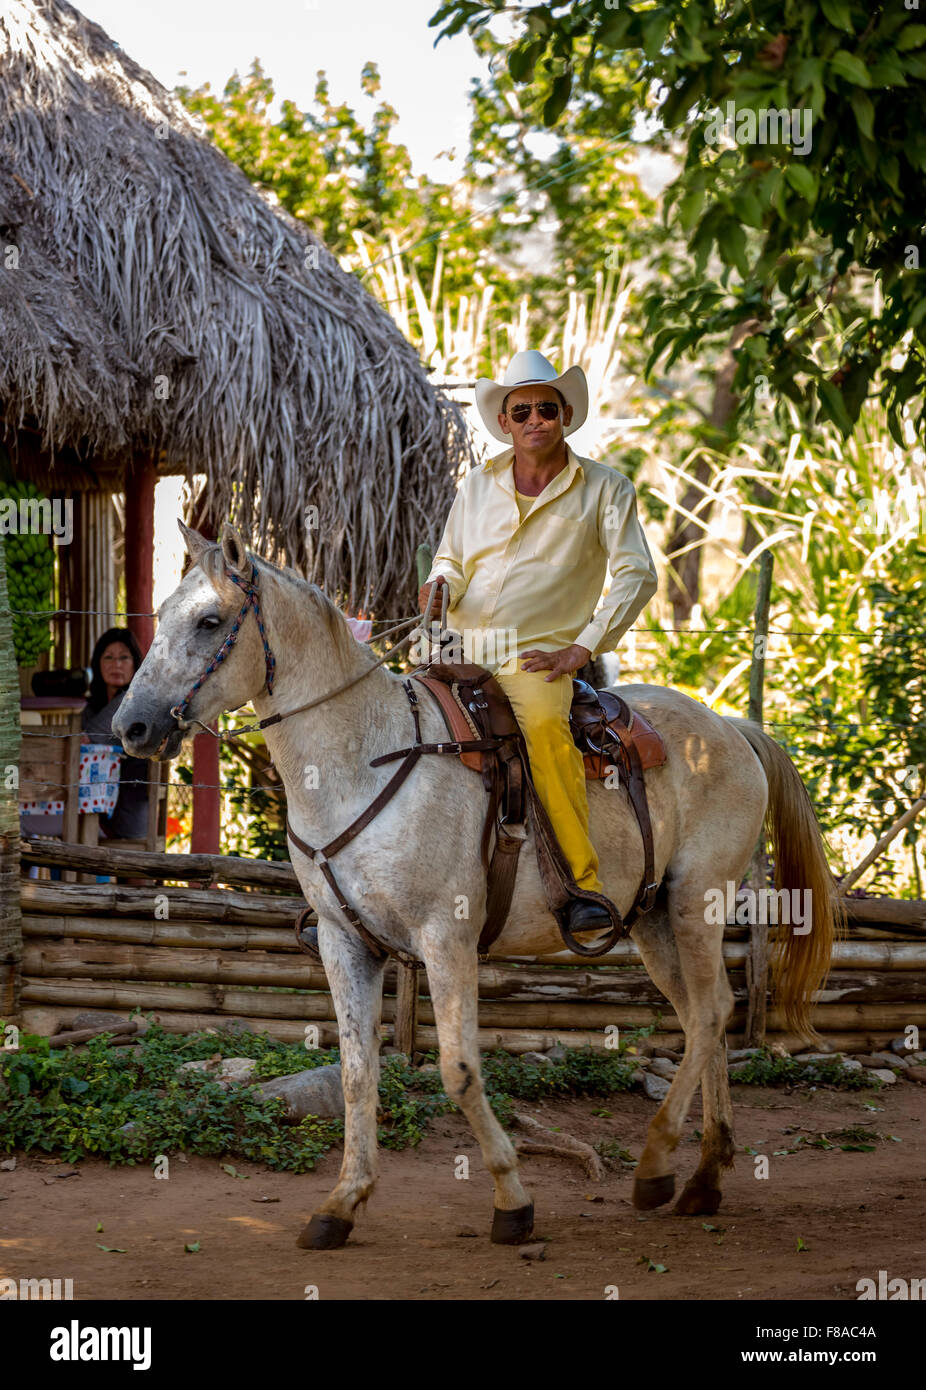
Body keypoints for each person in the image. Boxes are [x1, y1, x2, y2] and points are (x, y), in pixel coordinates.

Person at [419, 349, 658, 935]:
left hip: (535, 657)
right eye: (520, 410)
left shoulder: (606, 489)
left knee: (548, 733)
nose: (533, 420)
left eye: (545, 409)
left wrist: (582, 649)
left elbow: (637, 574)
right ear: (504, 422)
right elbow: (452, 556)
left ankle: (582, 886)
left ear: (565, 413)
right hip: (461, 649)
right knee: (397, 722)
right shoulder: (478, 484)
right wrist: (438, 585)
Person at [81, 627, 150, 840]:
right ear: (98, 664)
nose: (116, 665)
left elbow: (85, 739)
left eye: (124, 658)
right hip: (91, 809)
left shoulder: (135, 701)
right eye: (108, 657)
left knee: (68, 827)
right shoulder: (92, 707)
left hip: (125, 813)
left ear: (135, 664)